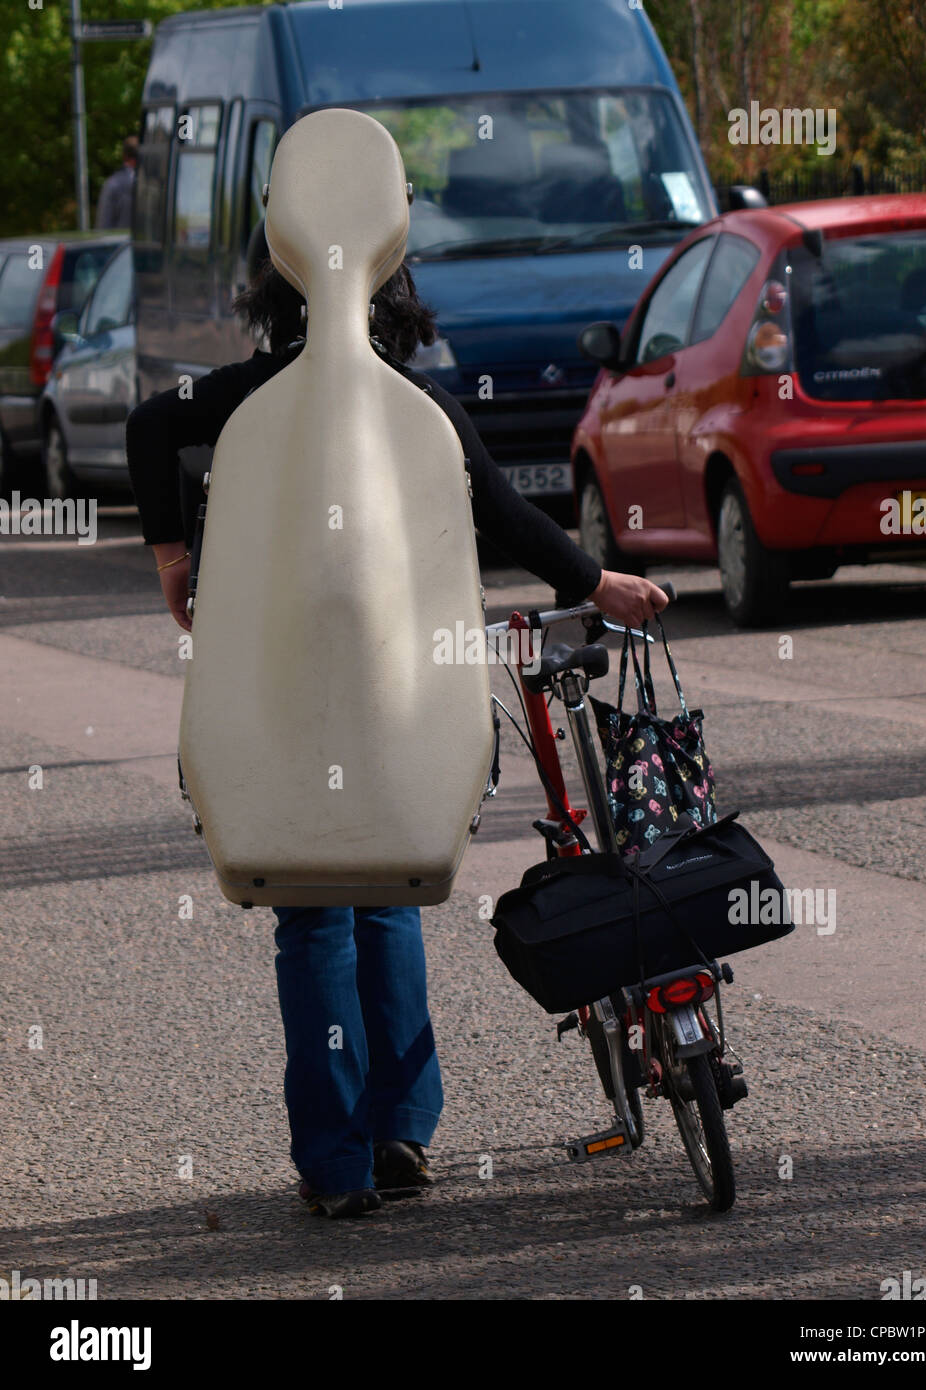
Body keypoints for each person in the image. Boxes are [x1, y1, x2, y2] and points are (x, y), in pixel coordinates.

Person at [126, 249, 669, 1218]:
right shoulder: (415, 406)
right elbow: (501, 511)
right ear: (395, 300)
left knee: (312, 915)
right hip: (394, 703)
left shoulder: (249, 395)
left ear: (277, 292)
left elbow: (150, 421)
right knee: (386, 900)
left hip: (278, 697)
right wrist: (598, 584)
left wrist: (173, 554)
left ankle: (336, 1169)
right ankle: (400, 1134)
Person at [96, 136, 138, 230]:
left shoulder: (112, 183)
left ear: (124, 156)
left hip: (119, 242)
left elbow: (103, 223)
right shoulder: (151, 184)